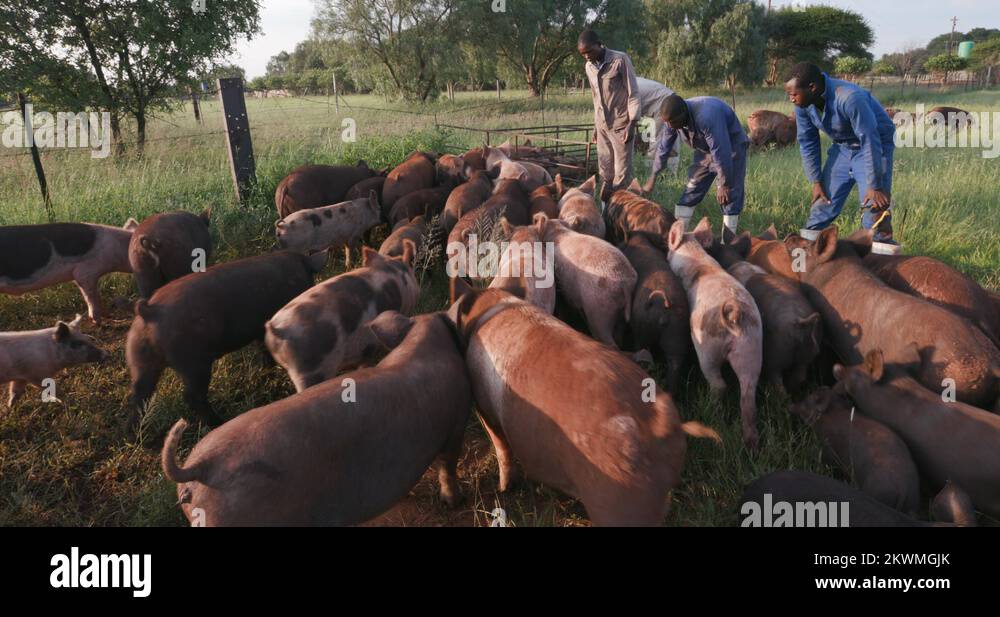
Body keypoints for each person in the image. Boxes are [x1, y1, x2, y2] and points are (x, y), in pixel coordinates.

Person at [785, 62, 897, 243]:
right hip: (843, 147)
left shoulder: (849, 98)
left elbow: (870, 139)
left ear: (812, 87)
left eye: (793, 94)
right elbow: (807, 141)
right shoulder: (803, 104)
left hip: (874, 145)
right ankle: (806, 261)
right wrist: (816, 180)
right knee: (822, 203)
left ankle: (881, 260)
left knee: (874, 207)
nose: (791, 99)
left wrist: (875, 185)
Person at [642, 94, 749, 234]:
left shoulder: (706, 117)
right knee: (691, 189)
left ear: (682, 115)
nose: (668, 126)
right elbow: (664, 148)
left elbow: (721, 152)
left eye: (671, 122)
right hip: (705, 150)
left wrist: (724, 184)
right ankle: (678, 238)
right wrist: (653, 177)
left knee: (728, 196)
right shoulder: (671, 120)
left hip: (731, 147)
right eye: (666, 122)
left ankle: (727, 244)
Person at [578, 29, 640, 205]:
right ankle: (606, 210)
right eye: (583, 54)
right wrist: (596, 127)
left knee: (622, 174)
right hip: (602, 125)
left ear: (599, 44)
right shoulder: (589, 67)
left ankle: (619, 211)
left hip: (621, 125)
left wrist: (632, 123)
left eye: (589, 51)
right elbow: (595, 98)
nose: (587, 57)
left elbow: (633, 93)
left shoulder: (619, 60)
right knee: (605, 171)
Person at [636, 76, 680, 174]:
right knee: (671, 139)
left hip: (662, 104)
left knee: (656, 141)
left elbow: (630, 115)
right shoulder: (631, 81)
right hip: (670, 98)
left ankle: (652, 173)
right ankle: (671, 172)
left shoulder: (625, 87)